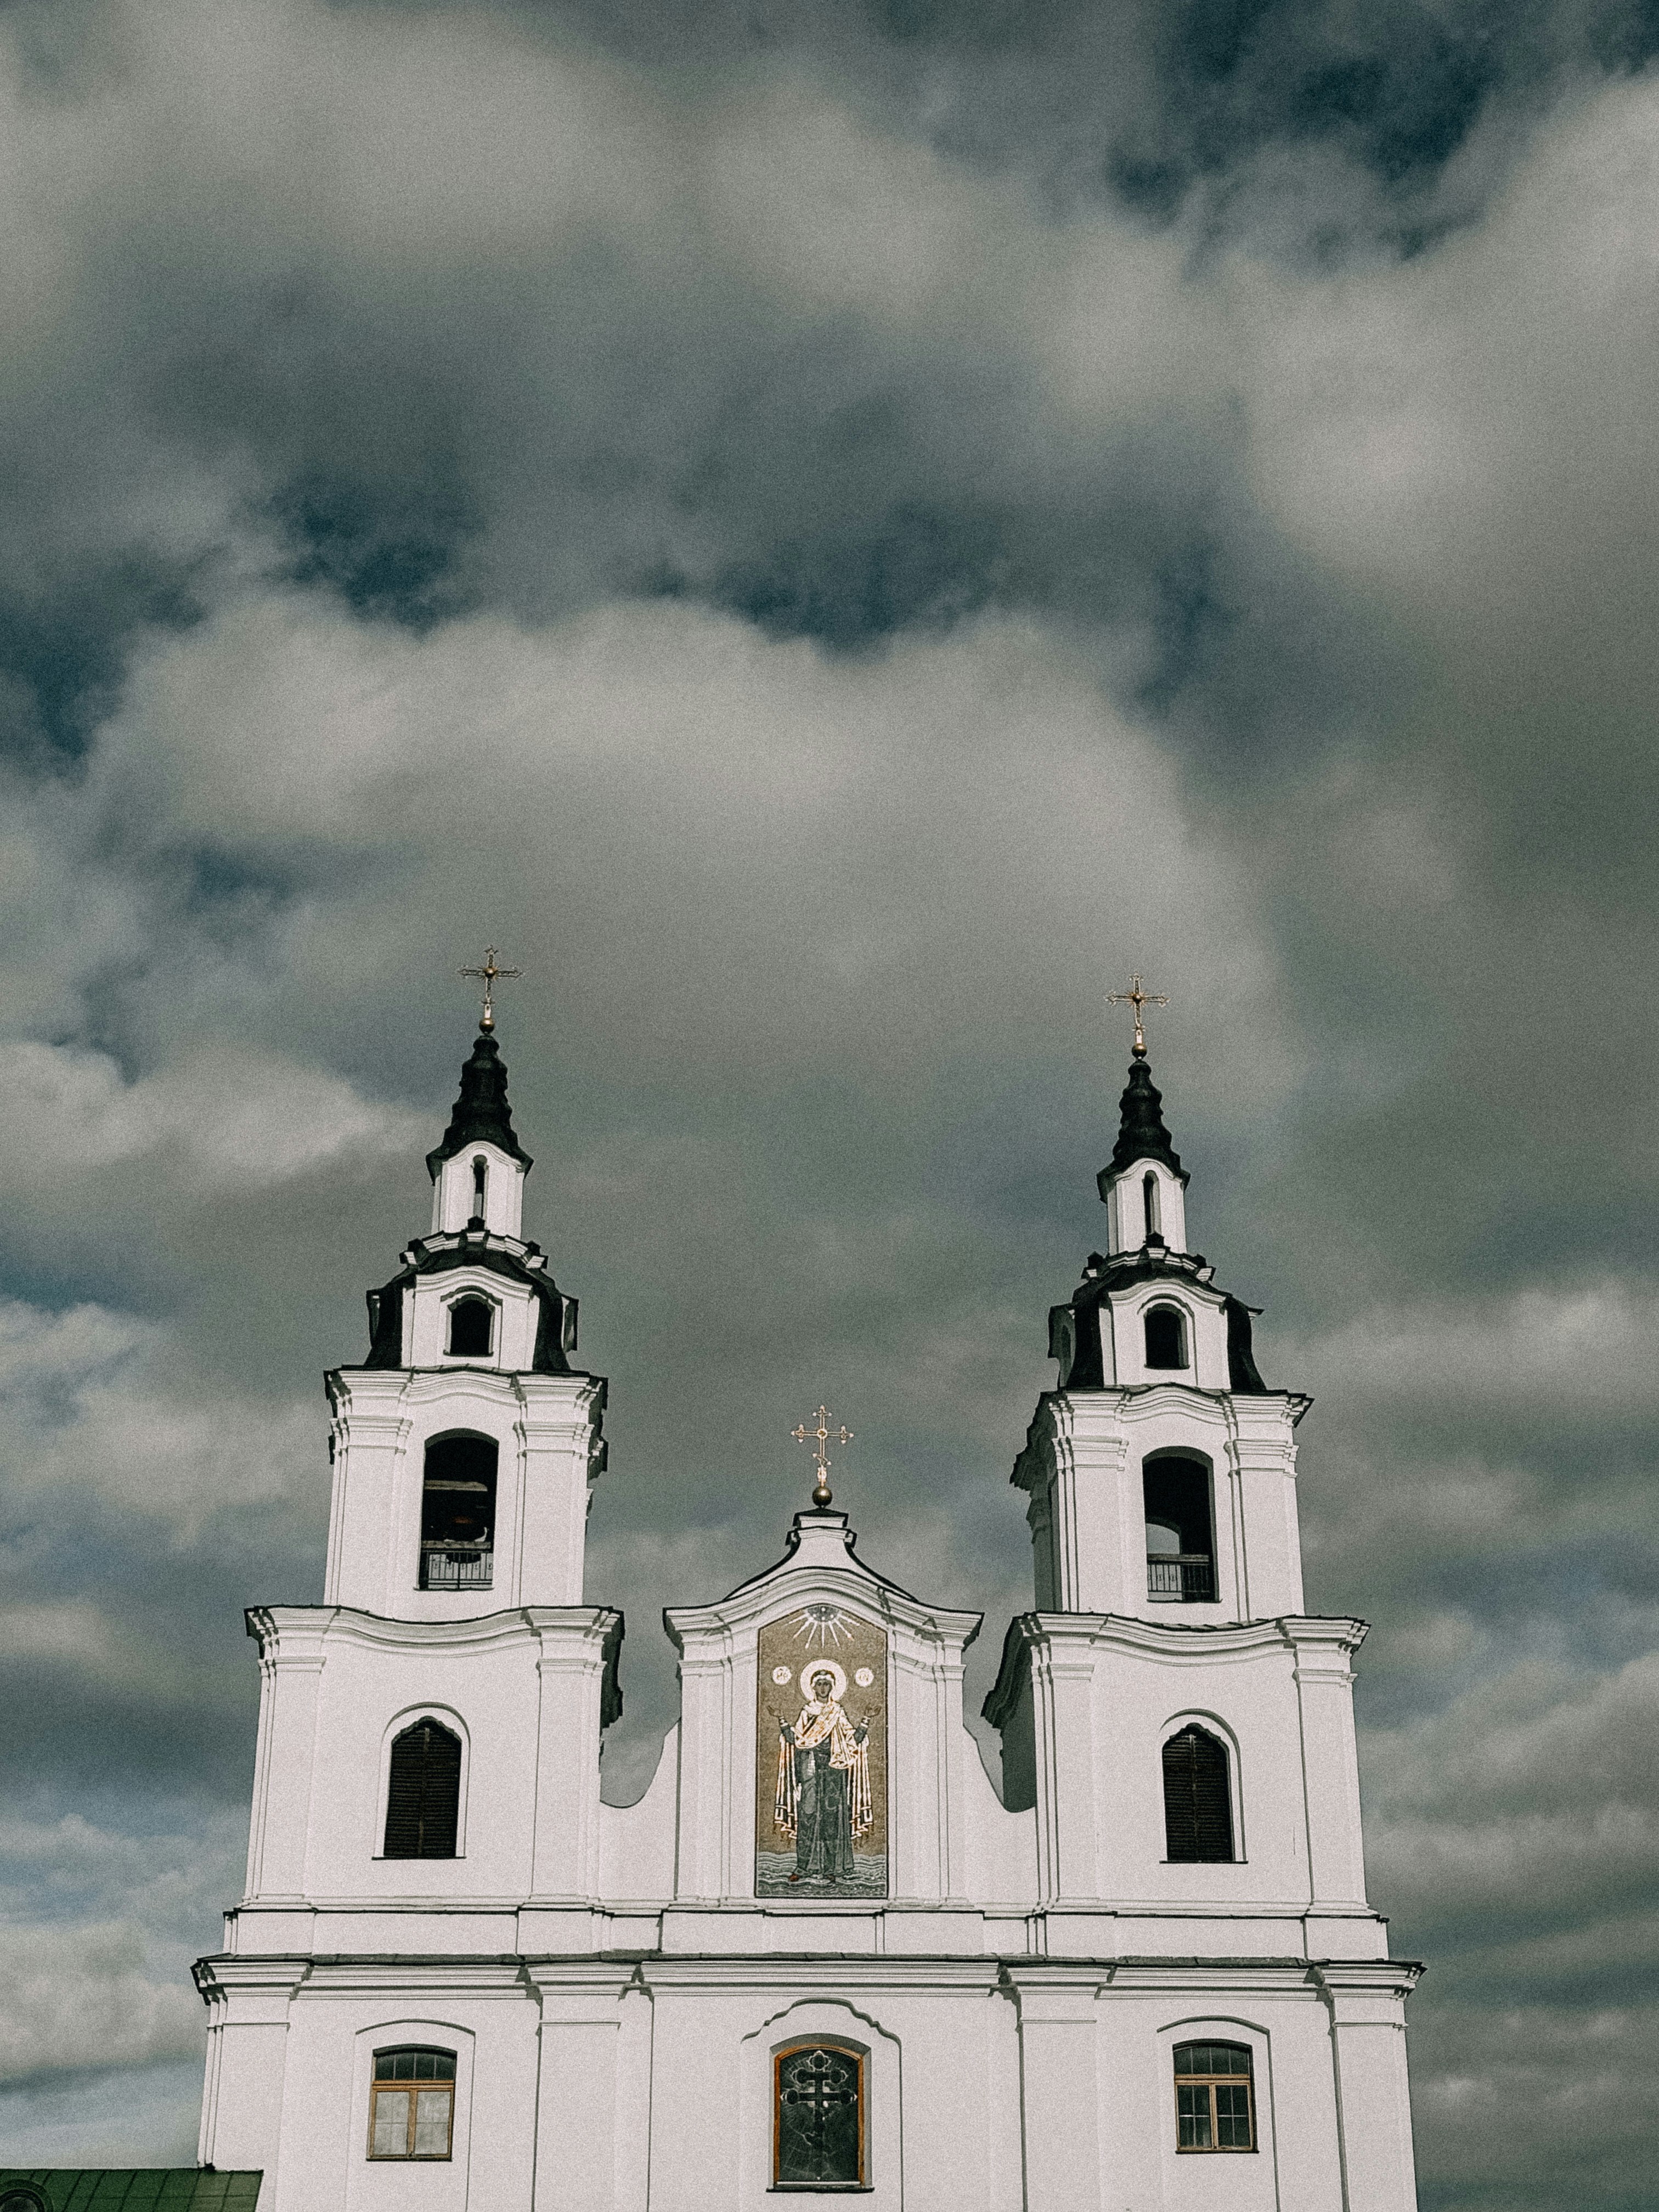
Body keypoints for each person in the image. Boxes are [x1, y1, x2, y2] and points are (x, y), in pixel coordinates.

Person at [777, 1668, 870, 1882]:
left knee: (831, 1820)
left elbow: (851, 1739)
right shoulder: (807, 1711)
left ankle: (831, 1868)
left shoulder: (837, 1712)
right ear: (812, 1687)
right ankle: (804, 1867)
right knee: (808, 1817)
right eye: (819, 1684)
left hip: (833, 1771)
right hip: (810, 1769)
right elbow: (796, 1739)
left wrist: (865, 1721)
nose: (822, 1688)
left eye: (826, 1684)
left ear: (832, 1687)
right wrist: (782, 1721)